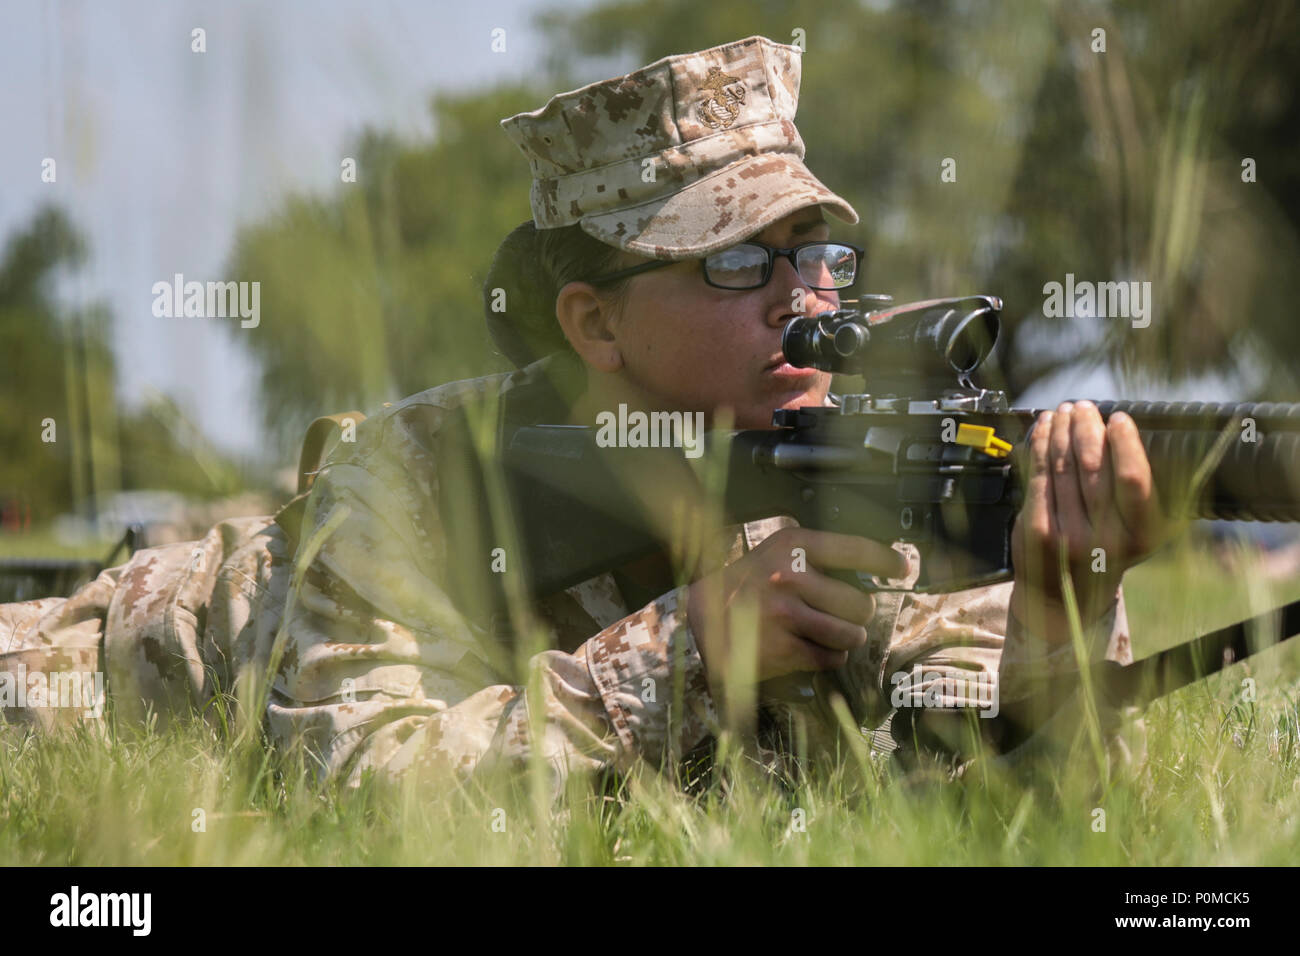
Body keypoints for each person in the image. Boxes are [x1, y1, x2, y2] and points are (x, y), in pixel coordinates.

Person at [0, 36, 1157, 790]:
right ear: (594, 324)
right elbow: (359, 793)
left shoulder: (861, 458)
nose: (800, 306)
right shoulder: (417, 469)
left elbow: (975, 802)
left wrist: (1060, 621)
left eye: (818, 258)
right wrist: (691, 655)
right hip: (72, 684)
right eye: (732, 265)